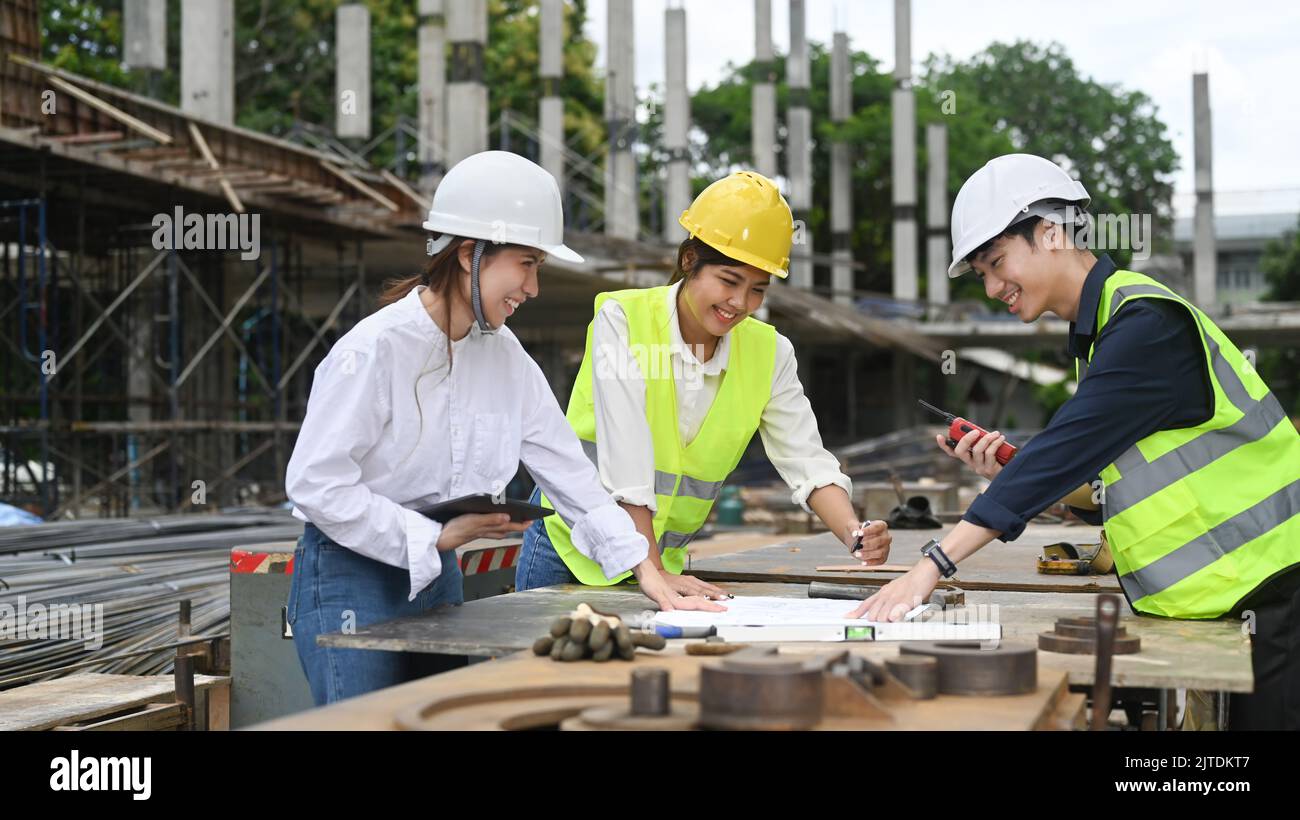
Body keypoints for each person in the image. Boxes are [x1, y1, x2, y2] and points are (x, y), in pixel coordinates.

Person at [849, 153, 1300, 730]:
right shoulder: (1104, 336)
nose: (991, 287)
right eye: (982, 274)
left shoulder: (1145, 326)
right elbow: (1123, 488)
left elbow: (1062, 448)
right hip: (1241, 601)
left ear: (1051, 231)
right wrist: (1019, 477)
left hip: (1277, 594)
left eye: (996, 263)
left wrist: (931, 566)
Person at [284, 151, 715, 706]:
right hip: (351, 571)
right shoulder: (373, 350)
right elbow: (316, 484)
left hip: (438, 573)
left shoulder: (505, 357)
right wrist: (433, 537)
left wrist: (645, 569)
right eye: (527, 263)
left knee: (443, 719)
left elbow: (567, 470)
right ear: (470, 254)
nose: (533, 287)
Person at [516, 171, 892, 596]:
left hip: (660, 562)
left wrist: (854, 532)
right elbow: (628, 462)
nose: (739, 303)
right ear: (690, 260)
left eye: (757, 290)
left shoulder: (770, 352)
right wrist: (653, 575)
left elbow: (806, 459)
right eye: (729, 281)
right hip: (571, 544)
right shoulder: (622, 319)